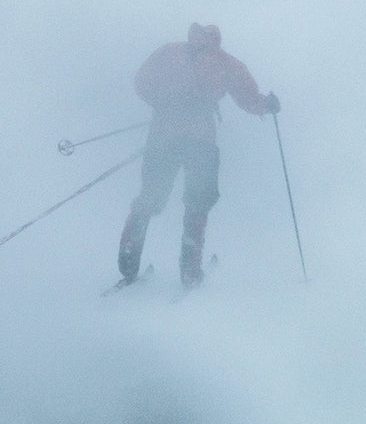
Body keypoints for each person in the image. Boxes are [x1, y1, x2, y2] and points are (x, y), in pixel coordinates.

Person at [119, 23, 280, 288]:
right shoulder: (224, 61)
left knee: (151, 195)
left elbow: (142, 82)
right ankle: (190, 271)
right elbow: (247, 97)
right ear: (216, 40)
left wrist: (162, 102)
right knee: (197, 202)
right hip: (200, 141)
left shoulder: (169, 52)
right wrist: (268, 105)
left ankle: (128, 258)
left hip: (162, 136)